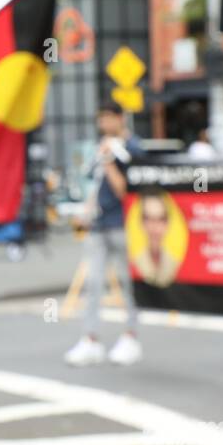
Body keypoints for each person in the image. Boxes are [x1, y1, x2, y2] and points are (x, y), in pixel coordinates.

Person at [64, 104, 143, 367]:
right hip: (98, 224)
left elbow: (124, 189)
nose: (103, 125)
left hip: (122, 224)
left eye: (107, 118)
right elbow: (97, 184)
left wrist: (109, 160)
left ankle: (131, 336)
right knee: (93, 283)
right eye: (100, 120)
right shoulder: (102, 147)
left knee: (127, 283)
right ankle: (90, 338)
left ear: (120, 118)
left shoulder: (131, 148)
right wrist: (85, 212)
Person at [130, 191, 182, 287]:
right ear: (141, 222)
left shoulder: (175, 262)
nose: (154, 227)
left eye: (161, 219)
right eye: (148, 218)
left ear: (168, 223)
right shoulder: (135, 260)